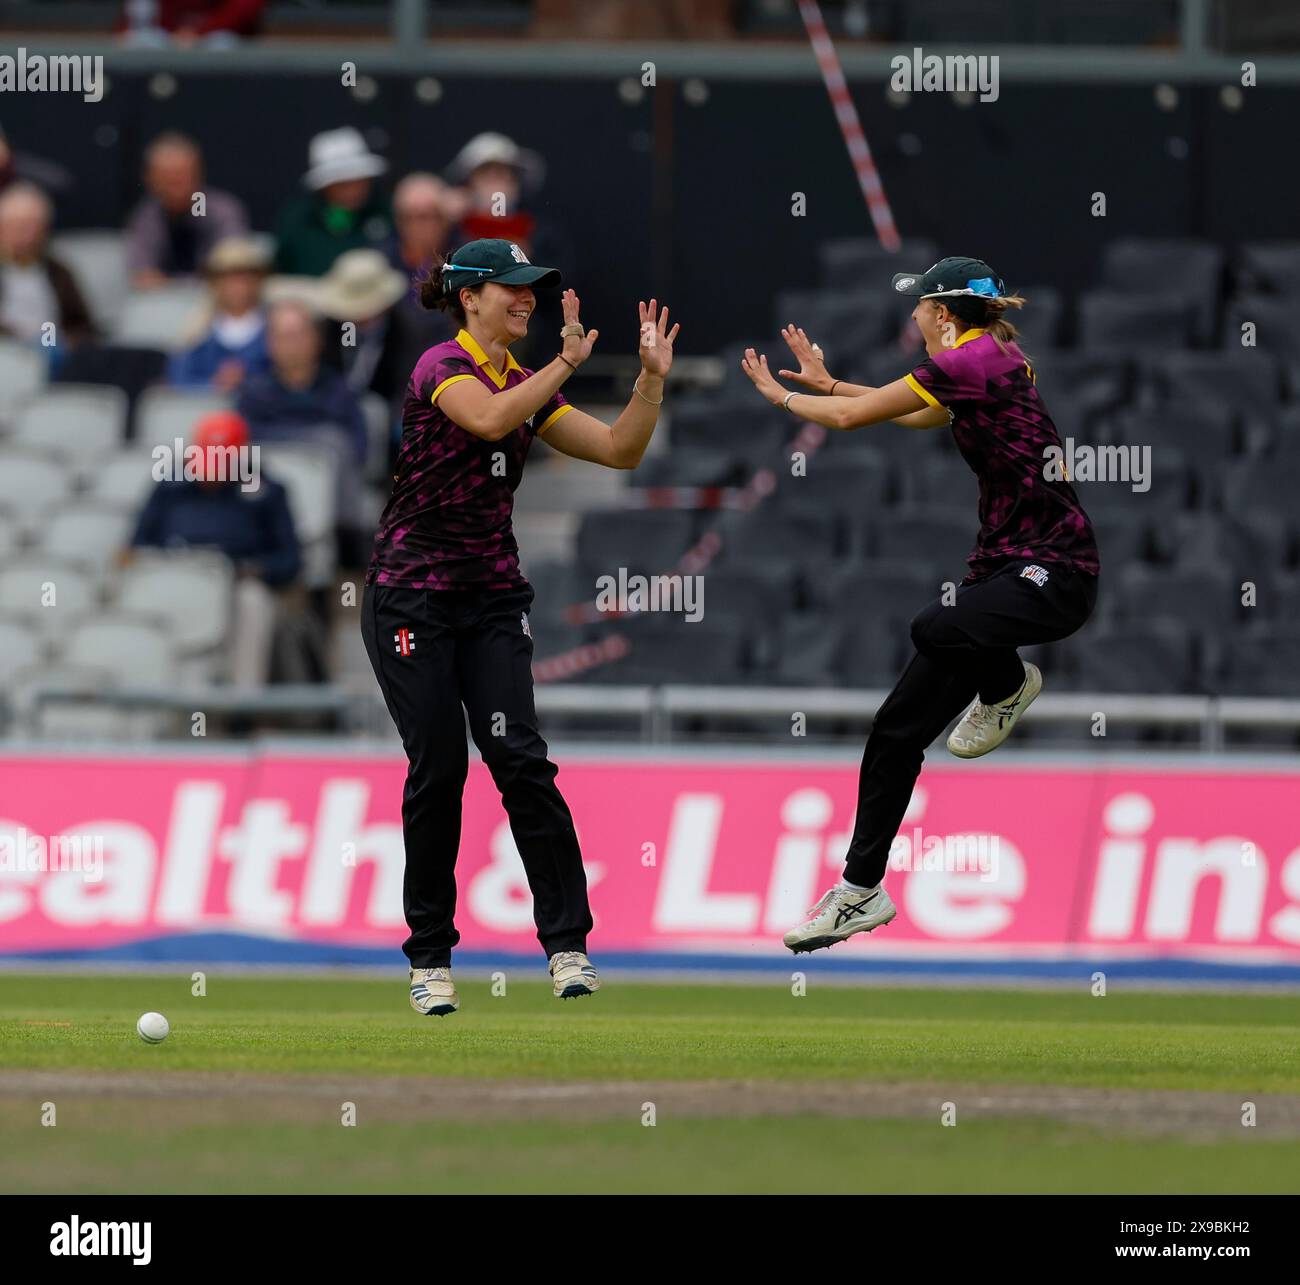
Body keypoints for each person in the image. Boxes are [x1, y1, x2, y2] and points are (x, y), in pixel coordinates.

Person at [739, 256, 1100, 952]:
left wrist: (782, 397)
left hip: (1056, 571)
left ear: (942, 314)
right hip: (1007, 569)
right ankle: (859, 890)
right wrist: (831, 381)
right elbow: (919, 413)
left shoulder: (975, 360)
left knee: (934, 624)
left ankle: (1008, 683)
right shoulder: (986, 360)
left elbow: (847, 418)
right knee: (897, 729)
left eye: (918, 309)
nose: (912, 320)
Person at [361, 237, 679, 1016]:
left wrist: (647, 381)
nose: (526, 298)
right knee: (438, 767)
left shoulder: (526, 381)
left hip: (492, 598)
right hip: (412, 596)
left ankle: (567, 945)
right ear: (469, 298)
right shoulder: (443, 365)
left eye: (531, 287)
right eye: (511, 287)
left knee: (521, 760)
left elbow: (620, 449)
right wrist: (567, 363)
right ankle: (429, 956)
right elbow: (491, 416)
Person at [125, 411, 301, 687]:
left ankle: (243, 701)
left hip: (236, 583)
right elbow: (137, 546)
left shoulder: (265, 491)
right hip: (175, 578)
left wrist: (252, 569)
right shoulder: (171, 487)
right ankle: (149, 690)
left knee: (252, 601)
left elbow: (290, 560)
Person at [125, 132, 249, 288]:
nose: (175, 187)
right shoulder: (146, 217)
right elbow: (143, 276)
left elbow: (230, 271)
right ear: (149, 179)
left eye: (181, 176)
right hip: (162, 304)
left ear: (198, 173)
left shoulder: (221, 211)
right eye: (166, 178)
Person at [274, 128, 392, 278]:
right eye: (343, 183)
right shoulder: (296, 221)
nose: (354, 189)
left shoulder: (385, 211)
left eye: (359, 179)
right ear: (325, 187)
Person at [0, 182, 95, 359]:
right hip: (6, 348)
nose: (22, 233)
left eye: (30, 225)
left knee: (50, 346)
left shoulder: (58, 271)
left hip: (48, 342)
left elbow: (81, 324)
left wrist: (70, 341)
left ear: (44, 230)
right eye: (14, 225)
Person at [167, 236, 270, 391]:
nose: (237, 286)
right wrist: (214, 385)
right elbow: (179, 382)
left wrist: (248, 382)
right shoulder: (197, 333)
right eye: (227, 277)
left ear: (258, 280)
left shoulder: (276, 331)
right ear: (214, 282)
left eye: (244, 276)